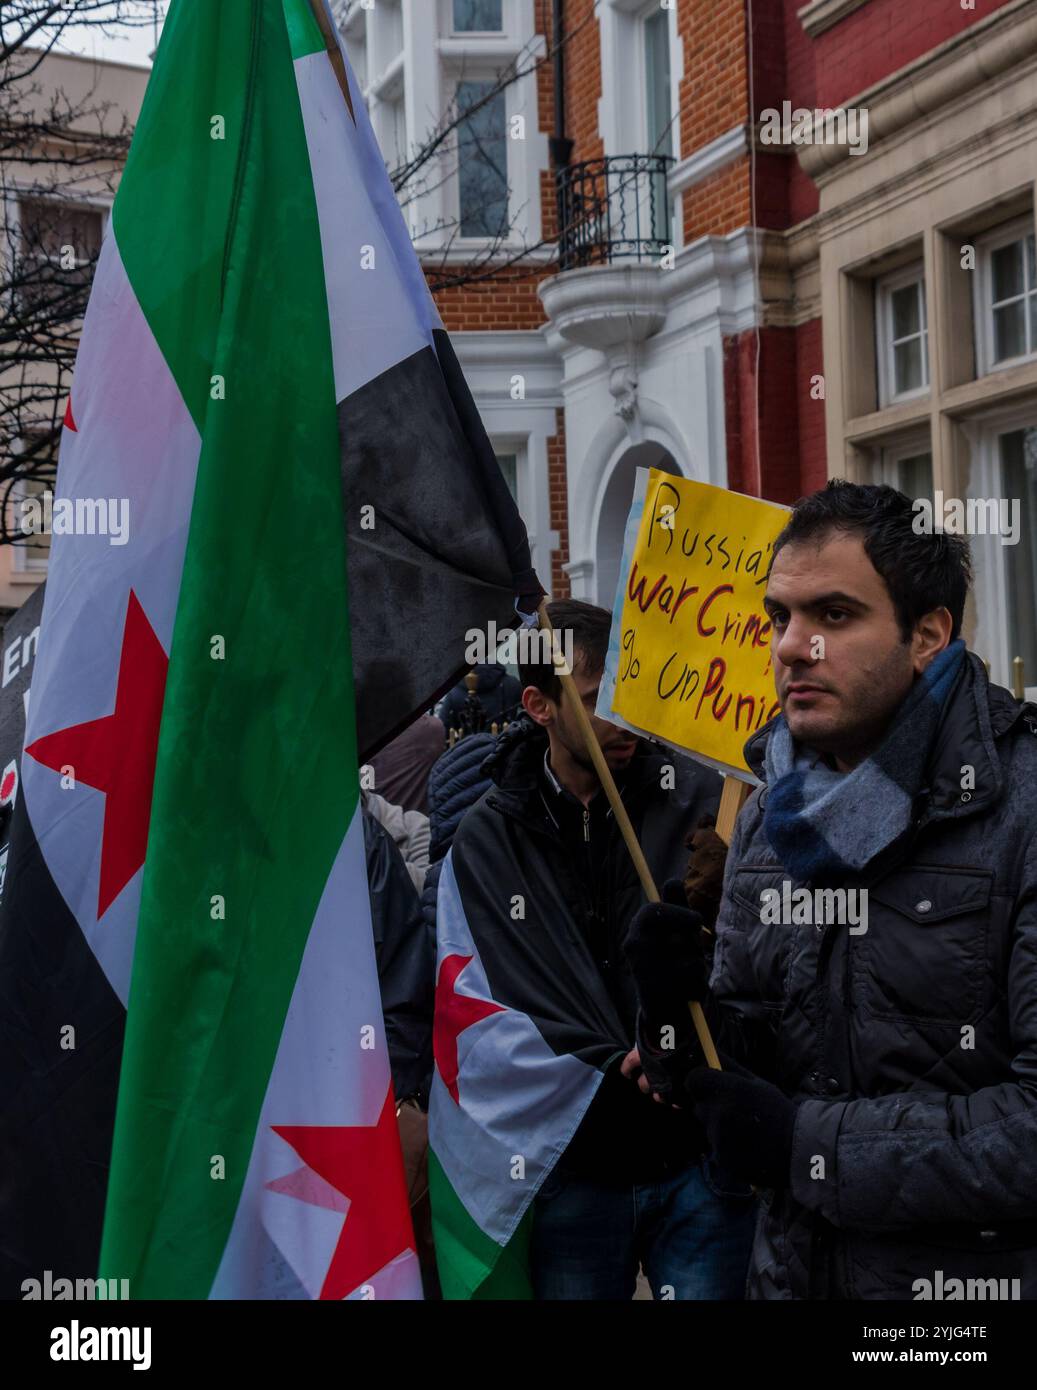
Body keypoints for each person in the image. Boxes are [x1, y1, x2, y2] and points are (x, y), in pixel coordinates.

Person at [626, 480, 1037, 1300]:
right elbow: (759, 1047)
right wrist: (679, 1025)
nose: (788, 646)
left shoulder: (1017, 805)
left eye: (832, 616)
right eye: (779, 617)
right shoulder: (775, 804)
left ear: (927, 635)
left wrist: (806, 1146)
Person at [441, 599, 755, 1300]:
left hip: (698, 1156)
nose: (623, 721)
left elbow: (756, 965)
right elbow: (488, 1001)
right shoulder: (489, 838)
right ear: (538, 705)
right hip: (573, 1165)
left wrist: (729, 886)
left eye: (630, 691)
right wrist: (613, 1061)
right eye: (595, 701)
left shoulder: (702, 803)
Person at [367, 712, 445, 816]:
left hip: (379, 824)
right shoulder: (433, 728)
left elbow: (365, 792)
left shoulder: (364, 735)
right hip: (424, 824)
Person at [435, 662, 521, 738]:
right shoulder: (511, 683)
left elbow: (441, 735)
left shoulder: (454, 694)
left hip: (468, 752)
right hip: (509, 750)